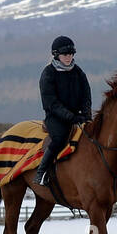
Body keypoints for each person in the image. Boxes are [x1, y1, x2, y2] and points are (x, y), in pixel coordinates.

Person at [35, 35, 92, 186]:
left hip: (77, 116)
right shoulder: (48, 73)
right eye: (65, 54)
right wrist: (70, 117)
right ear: (56, 55)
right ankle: (41, 172)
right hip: (55, 117)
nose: (68, 57)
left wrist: (86, 114)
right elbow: (51, 103)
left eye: (71, 54)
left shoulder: (78, 72)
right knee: (59, 139)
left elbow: (86, 95)